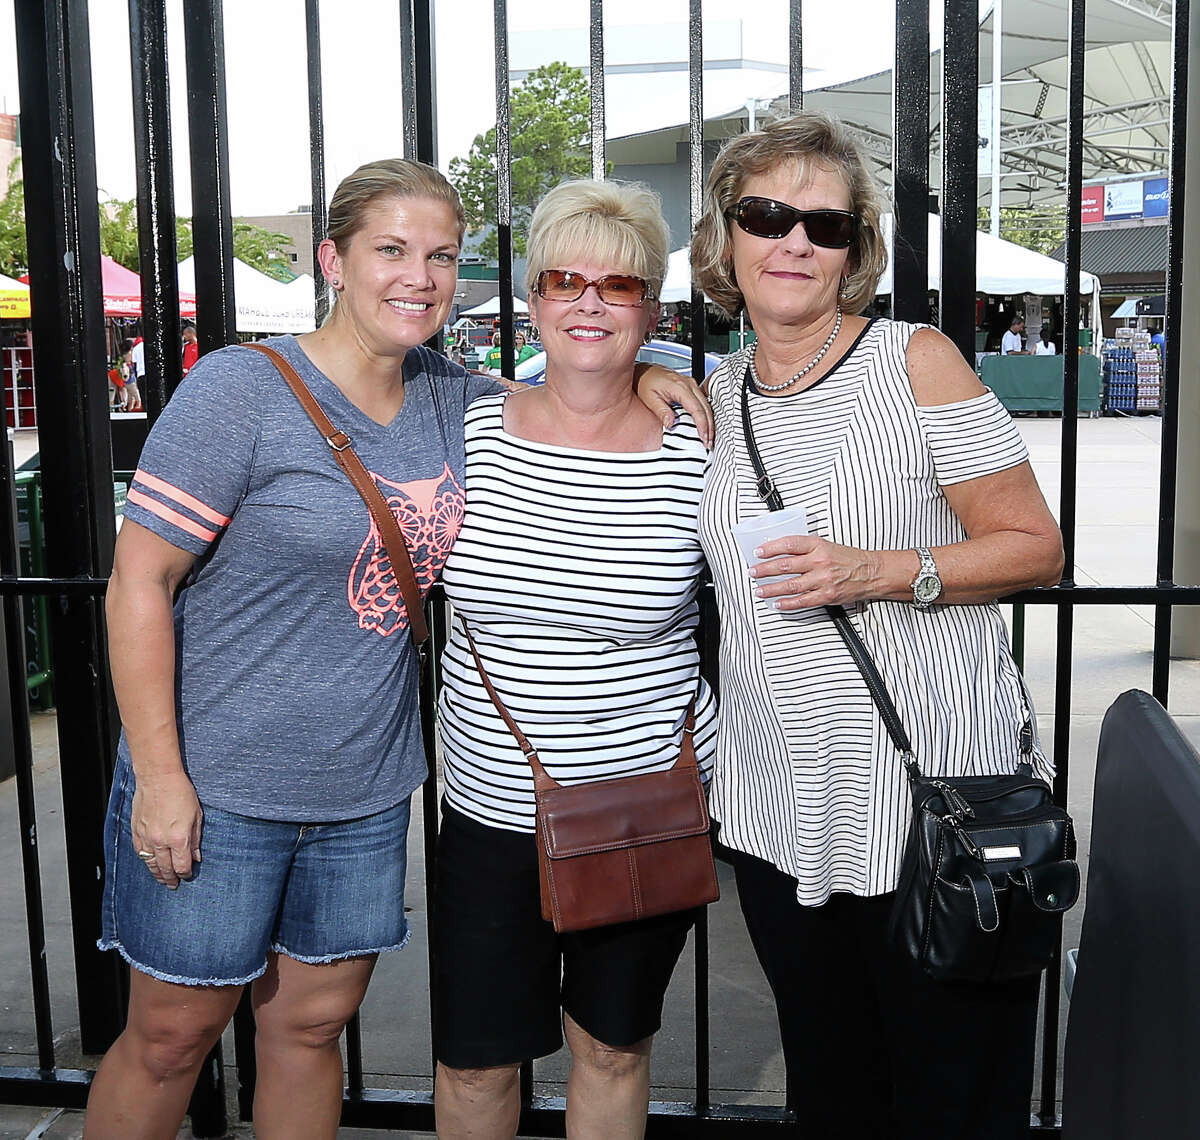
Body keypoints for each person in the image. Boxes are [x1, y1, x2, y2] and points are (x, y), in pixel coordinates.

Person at [84, 157, 706, 1140]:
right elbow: (138, 585)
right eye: (391, 250)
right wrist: (160, 778)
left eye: (442, 256)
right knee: (171, 1036)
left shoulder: (450, 398)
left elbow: (577, 382)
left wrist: (653, 372)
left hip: (365, 792)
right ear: (333, 260)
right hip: (221, 778)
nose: (419, 276)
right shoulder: (242, 390)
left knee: (312, 1027)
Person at [690, 110, 1064, 1138]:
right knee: (834, 1093)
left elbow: (1035, 547)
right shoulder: (711, 399)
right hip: (778, 814)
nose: (795, 242)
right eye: (767, 216)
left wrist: (886, 570)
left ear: (856, 250)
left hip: (932, 813)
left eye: (826, 224)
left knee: (954, 1100)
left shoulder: (916, 362)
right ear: (725, 236)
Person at [433, 179, 717, 1140]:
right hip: (490, 812)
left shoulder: (699, 445)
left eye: (619, 284)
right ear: (533, 298)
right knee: (476, 1063)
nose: (589, 304)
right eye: (564, 280)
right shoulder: (464, 429)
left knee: (612, 1049)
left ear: (652, 306)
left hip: (644, 804)